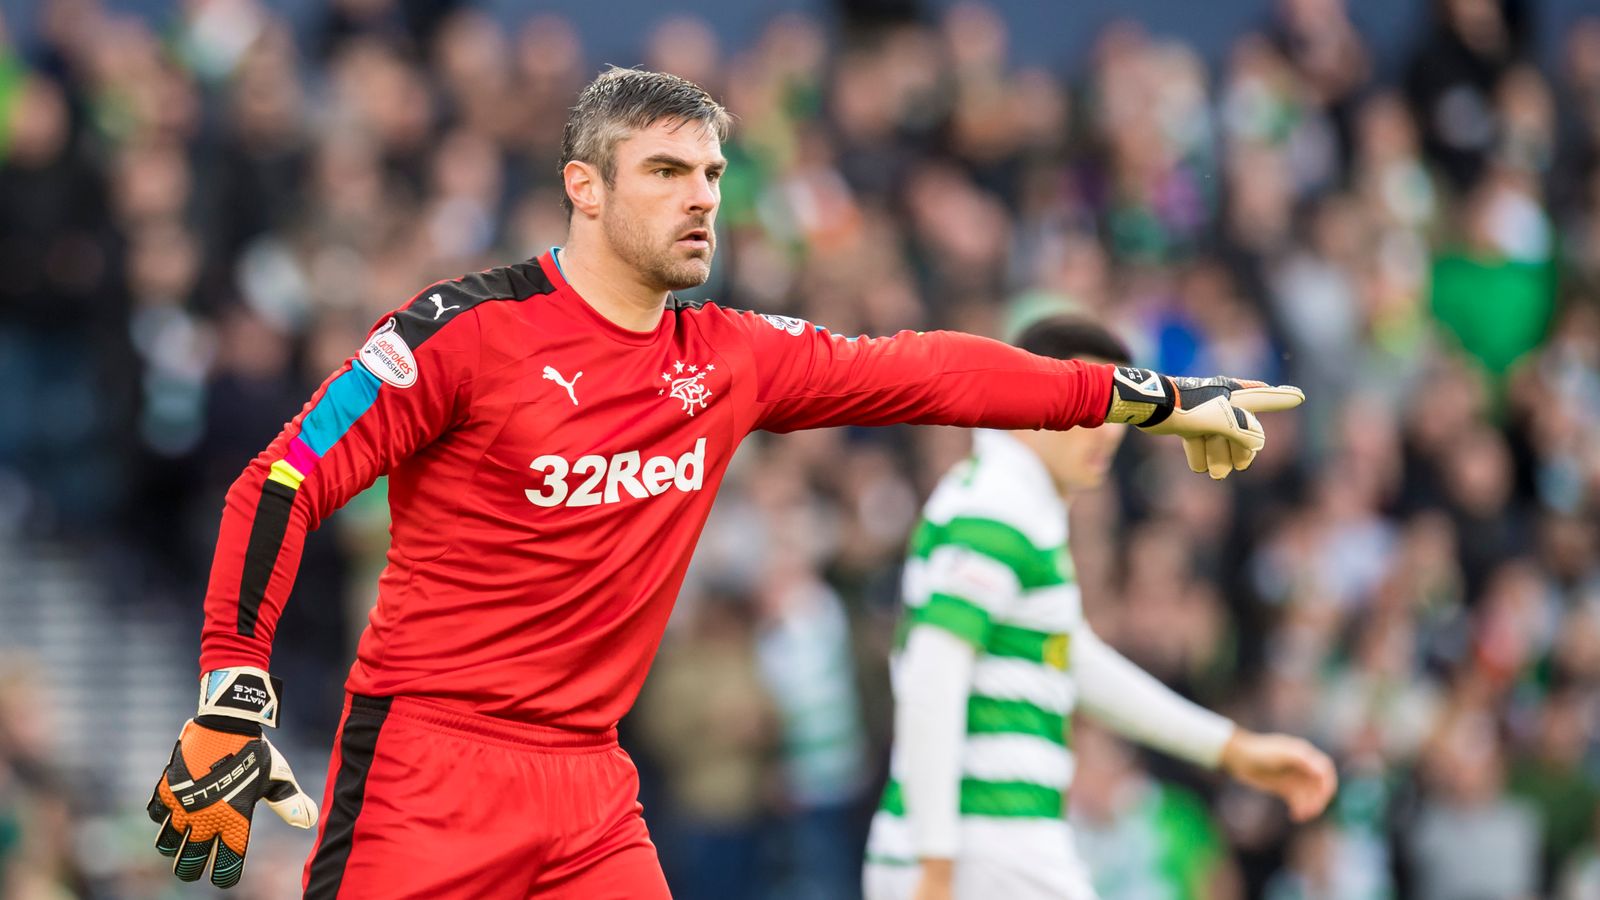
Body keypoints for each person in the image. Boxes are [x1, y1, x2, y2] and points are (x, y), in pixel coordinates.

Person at [144, 67, 1302, 898]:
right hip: (426, 771)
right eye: (664, 171)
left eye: (710, 171)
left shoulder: (731, 357)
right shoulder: (460, 333)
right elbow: (279, 480)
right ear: (582, 189)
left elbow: (933, 368)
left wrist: (1142, 395)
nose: (702, 195)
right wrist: (231, 683)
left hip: (591, 790)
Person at [862, 316, 1337, 900]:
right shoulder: (998, 503)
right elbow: (935, 668)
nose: (1109, 432)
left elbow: (1075, 661)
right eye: (1089, 405)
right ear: (1029, 398)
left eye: (1118, 411)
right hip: (982, 851)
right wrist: (935, 865)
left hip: (986, 849)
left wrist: (1232, 750)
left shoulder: (1016, 503)